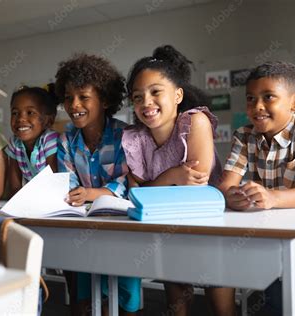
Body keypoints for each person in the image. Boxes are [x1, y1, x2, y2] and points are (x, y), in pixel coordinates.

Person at [122, 45, 235, 316]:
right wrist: (173, 176)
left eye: (155, 92)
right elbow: (134, 193)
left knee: (221, 306)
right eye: (137, 97)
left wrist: (153, 187)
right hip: (166, 229)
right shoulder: (135, 138)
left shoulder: (194, 122)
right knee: (177, 304)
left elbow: (196, 185)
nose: (146, 102)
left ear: (178, 95)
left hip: (208, 225)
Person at [219, 61, 295, 316]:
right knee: (278, 308)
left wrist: (271, 197)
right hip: (274, 248)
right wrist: (232, 196)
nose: (257, 106)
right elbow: (226, 183)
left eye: (268, 97)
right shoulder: (244, 134)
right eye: (250, 98)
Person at [55, 53, 141, 315]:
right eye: (68, 98)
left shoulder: (125, 135)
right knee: (85, 292)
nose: (74, 104)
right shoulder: (67, 139)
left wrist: (90, 193)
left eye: (83, 97)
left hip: (120, 227)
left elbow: (125, 182)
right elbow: (67, 182)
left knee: (124, 293)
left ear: (104, 100)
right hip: (83, 225)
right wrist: (78, 195)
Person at [5, 84, 59, 196]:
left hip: (54, 197)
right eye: (15, 113)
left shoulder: (50, 140)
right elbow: (15, 186)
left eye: (30, 113)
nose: (21, 119)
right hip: (34, 200)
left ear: (48, 120)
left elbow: (55, 182)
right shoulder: (14, 143)